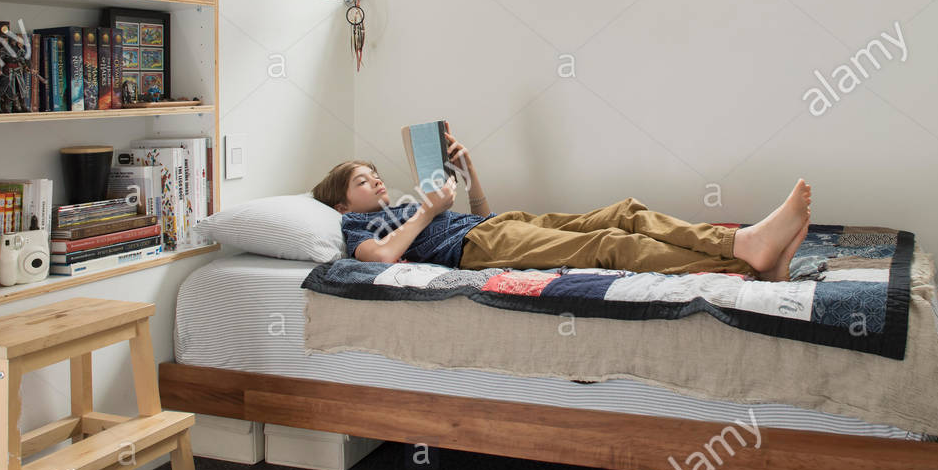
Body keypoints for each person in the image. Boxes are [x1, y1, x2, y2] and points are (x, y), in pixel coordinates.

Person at [311, 129, 811, 281]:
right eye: (361, 179)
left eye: (375, 173)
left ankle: (742, 243)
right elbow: (380, 259)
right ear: (340, 202)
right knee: (610, 245)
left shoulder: (393, 207)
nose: (375, 180)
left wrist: (468, 174)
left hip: (495, 225)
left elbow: (481, 214)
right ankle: (744, 257)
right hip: (474, 248)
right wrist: (425, 211)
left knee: (626, 211)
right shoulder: (357, 224)